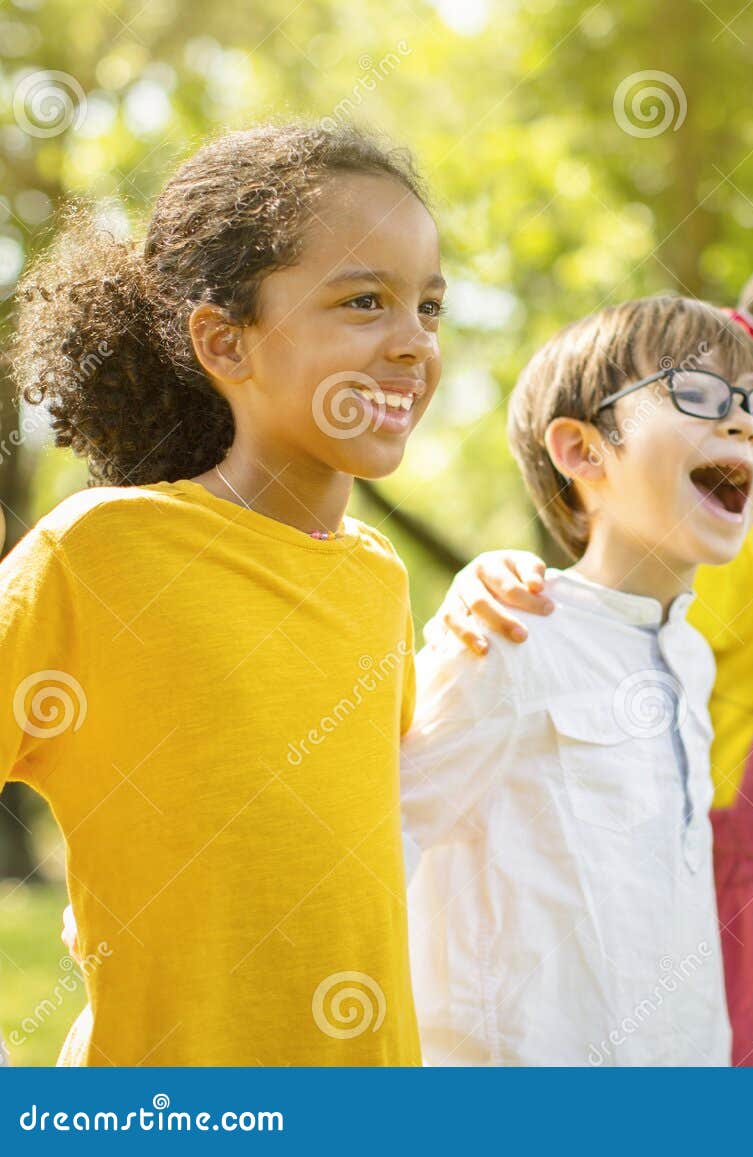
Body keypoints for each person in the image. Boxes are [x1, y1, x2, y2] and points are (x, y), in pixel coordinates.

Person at [1, 123, 442, 1064]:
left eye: (431, 307)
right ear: (224, 342)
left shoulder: (379, 580)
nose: (412, 343)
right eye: (365, 301)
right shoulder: (98, 553)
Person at [401, 297, 753, 1064]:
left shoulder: (691, 657)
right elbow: (378, 843)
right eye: (701, 394)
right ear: (582, 452)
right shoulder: (507, 631)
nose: (744, 423)